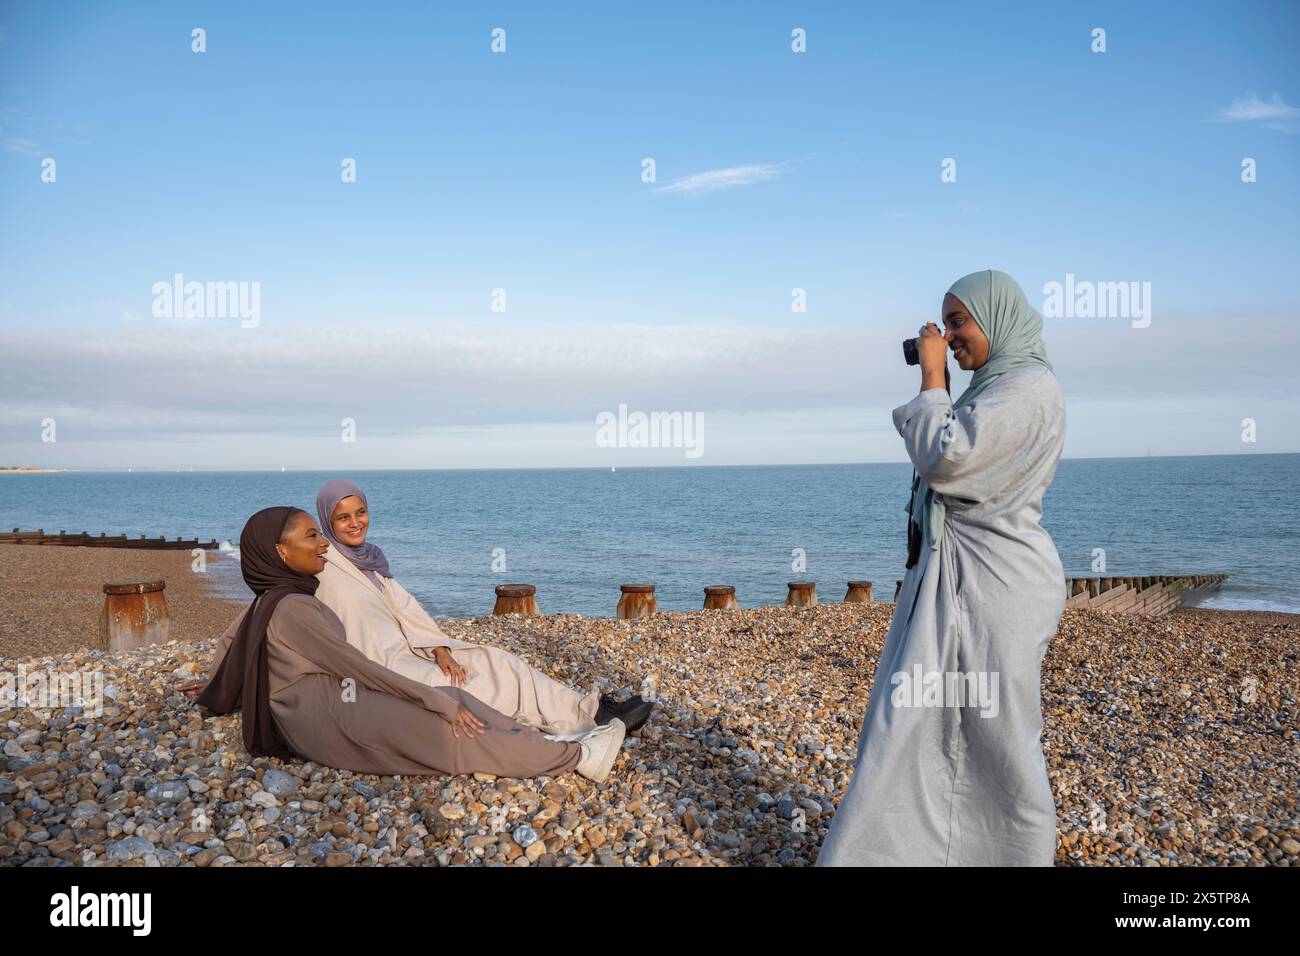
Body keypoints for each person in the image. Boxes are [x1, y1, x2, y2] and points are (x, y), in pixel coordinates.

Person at [817, 269, 1067, 866]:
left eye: (958, 323)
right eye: (945, 325)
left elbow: (948, 458)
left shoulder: (1028, 388)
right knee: (913, 721)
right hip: (960, 581)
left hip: (995, 588)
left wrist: (933, 380)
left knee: (999, 737)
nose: (949, 336)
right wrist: (947, 388)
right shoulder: (998, 387)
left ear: (998, 318)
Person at [181, 506, 626, 782]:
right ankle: (576, 757)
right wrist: (433, 701)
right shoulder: (294, 607)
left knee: (457, 697)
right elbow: (358, 667)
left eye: (321, 533)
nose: (323, 544)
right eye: (312, 535)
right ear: (279, 552)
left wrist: (217, 684)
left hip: (322, 707)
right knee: (447, 727)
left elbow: (245, 638)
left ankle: (554, 735)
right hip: (326, 717)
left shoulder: (279, 597)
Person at [312, 478, 653, 737]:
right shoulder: (322, 566)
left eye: (360, 512)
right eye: (342, 517)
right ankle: (575, 724)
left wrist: (440, 648)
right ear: (327, 520)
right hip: (383, 667)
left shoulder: (369, 561)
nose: (355, 522)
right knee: (465, 684)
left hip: (414, 649)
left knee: (500, 661)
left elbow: (406, 608)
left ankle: (590, 709)